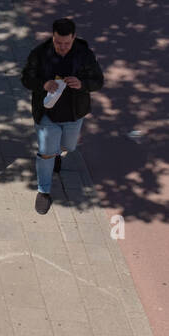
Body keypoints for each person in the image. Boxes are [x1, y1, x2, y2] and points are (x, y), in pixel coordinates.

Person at [20, 18, 104, 215]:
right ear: (53, 36)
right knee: (46, 150)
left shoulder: (84, 55)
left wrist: (82, 84)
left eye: (67, 43)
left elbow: (98, 81)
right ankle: (44, 191)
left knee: (69, 146)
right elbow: (26, 78)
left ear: (74, 37)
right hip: (47, 113)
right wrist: (43, 84)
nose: (62, 47)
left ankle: (58, 153)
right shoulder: (40, 54)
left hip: (74, 113)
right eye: (58, 42)